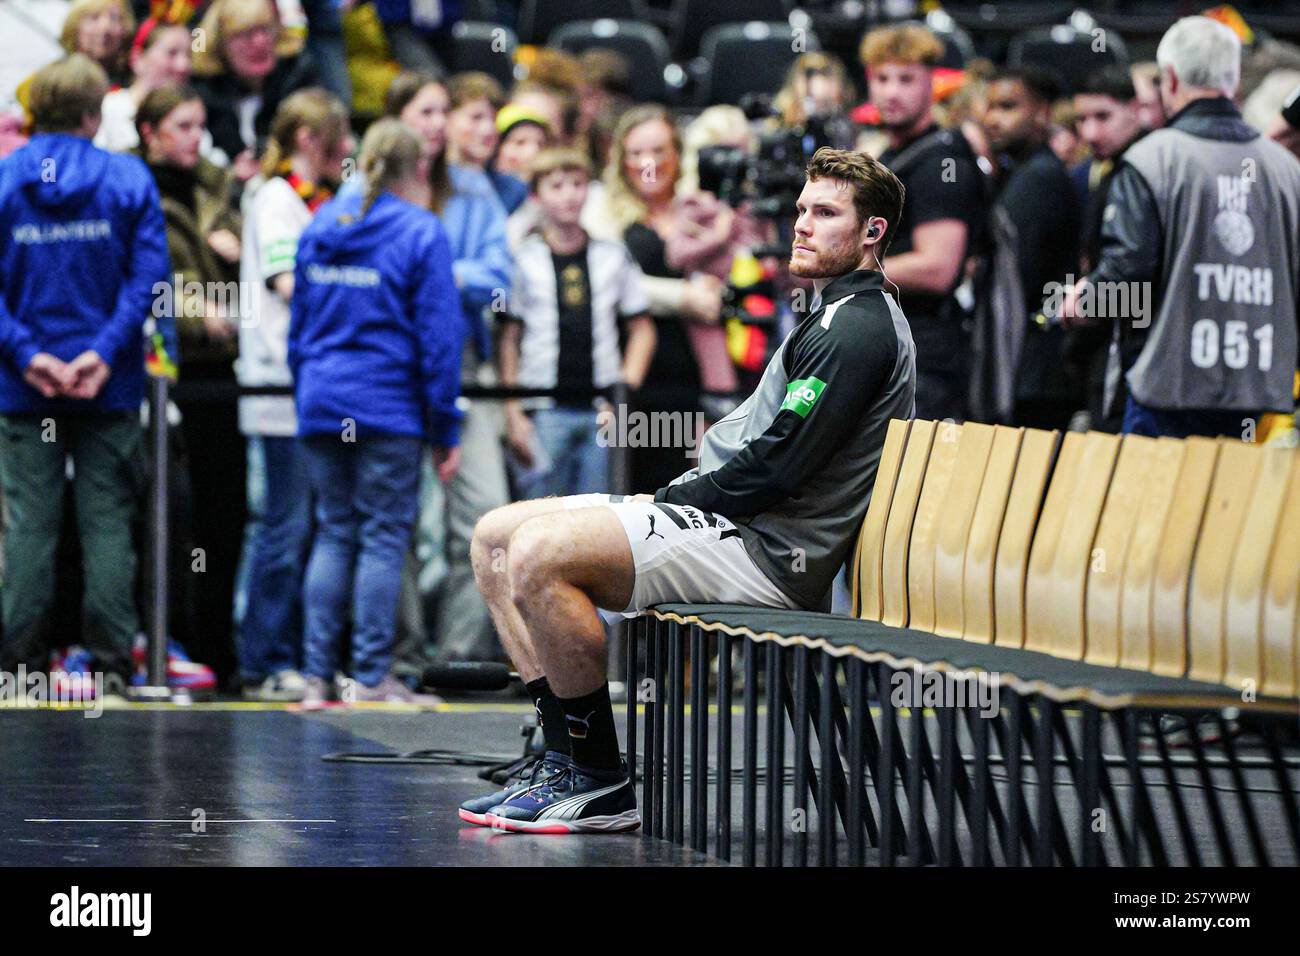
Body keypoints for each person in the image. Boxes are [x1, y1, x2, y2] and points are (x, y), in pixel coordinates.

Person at [459, 147, 916, 833]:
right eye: (800, 211)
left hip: (771, 555)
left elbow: (777, 469)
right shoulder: (830, 315)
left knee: (537, 555)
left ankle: (600, 780)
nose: (801, 225)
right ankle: (562, 759)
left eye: (825, 214)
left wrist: (679, 500)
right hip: (737, 528)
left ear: (872, 232)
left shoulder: (859, 327)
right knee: (494, 538)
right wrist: (683, 497)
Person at [0, 54, 169, 695]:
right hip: (110, 382)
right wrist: (101, 353)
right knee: (106, 522)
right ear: (94, 114)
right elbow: (148, 280)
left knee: (30, 525)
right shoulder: (127, 178)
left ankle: (18, 666)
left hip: (26, 385)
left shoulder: (6, 179)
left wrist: (28, 355)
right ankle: (112, 666)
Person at [289, 118, 465, 706]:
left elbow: (299, 328)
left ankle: (316, 678)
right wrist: (445, 428)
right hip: (387, 404)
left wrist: (307, 390)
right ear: (418, 169)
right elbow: (440, 343)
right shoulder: (421, 231)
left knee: (333, 531)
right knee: (384, 536)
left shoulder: (321, 224)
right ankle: (369, 678)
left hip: (321, 397)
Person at [1061, 16, 1300, 440]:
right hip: (1260, 388)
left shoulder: (1152, 159)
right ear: (1235, 78)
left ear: (1170, 79)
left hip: (1168, 390)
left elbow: (1128, 275)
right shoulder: (1286, 169)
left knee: (1150, 506)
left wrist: (1083, 302)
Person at [235, 88, 352, 700]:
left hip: (309, 389)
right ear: (311, 139)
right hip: (281, 388)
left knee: (302, 527)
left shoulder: (309, 201)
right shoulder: (278, 199)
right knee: (282, 529)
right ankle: (264, 659)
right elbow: (288, 284)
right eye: (341, 136)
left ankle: (297, 657)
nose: (350, 149)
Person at [136, 84, 246, 684]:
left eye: (199, 125)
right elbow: (142, 278)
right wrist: (191, 305)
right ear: (150, 131)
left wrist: (232, 258)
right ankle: (165, 640)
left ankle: (219, 648)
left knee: (225, 513)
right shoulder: (133, 185)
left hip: (223, 367)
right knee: (169, 514)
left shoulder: (218, 184)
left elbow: (255, 266)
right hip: (165, 370)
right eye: (180, 125)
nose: (194, 137)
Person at [500, 147, 656, 500]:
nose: (569, 194)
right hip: (541, 406)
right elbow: (509, 337)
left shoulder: (612, 255)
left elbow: (642, 328)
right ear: (537, 195)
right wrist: (513, 414)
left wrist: (623, 392)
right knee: (537, 516)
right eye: (556, 185)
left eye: (577, 183)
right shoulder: (523, 260)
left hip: (600, 408)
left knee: (598, 516)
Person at [861, 23, 986, 421]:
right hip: (894, 344)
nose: (891, 91)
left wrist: (845, 271)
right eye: (882, 78)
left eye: (906, 79)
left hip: (927, 353)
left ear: (931, 83)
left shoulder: (941, 163)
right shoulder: (892, 154)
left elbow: (937, 268)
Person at [596, 105, 722, 494]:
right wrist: (685, 296)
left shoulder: (700, 207)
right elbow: (610, 281)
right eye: (635, 153)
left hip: (696, 373)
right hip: (631, 371)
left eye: (658, 150)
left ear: (677, 154)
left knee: (686, 493)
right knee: (630, 494)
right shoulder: (605, 211)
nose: (647, 163)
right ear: (621, 160)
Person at [980, 67, 1082, 430]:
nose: (992, 118)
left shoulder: (1038, 177)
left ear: (1042, 113)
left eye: (1007, 107)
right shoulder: (1022, 173)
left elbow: (1013, 280)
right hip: (1029, 368)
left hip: (1035, 373)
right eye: (989, 107)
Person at [1066, 66, 1146, 432]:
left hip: (1131, 344)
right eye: (1082, 119)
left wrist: (1091, 299)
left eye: (1103, 116)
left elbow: (1140, 271)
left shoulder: (1143, 170)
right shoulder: (1104, 170)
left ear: (1136, 108)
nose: (1090, 132)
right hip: (1108, 337)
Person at [190, 0, 318, 178]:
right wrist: (230, 175)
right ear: (220, 44)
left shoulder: (300, 79)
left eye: (265, 29)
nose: (259, 42)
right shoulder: (204, 95)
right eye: (245, 34)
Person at [95, 16, 193, 153]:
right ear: (138, 58)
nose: (184, 65)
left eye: (189, 55)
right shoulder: (109, 109)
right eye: (172, 53)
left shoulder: (192, 119)